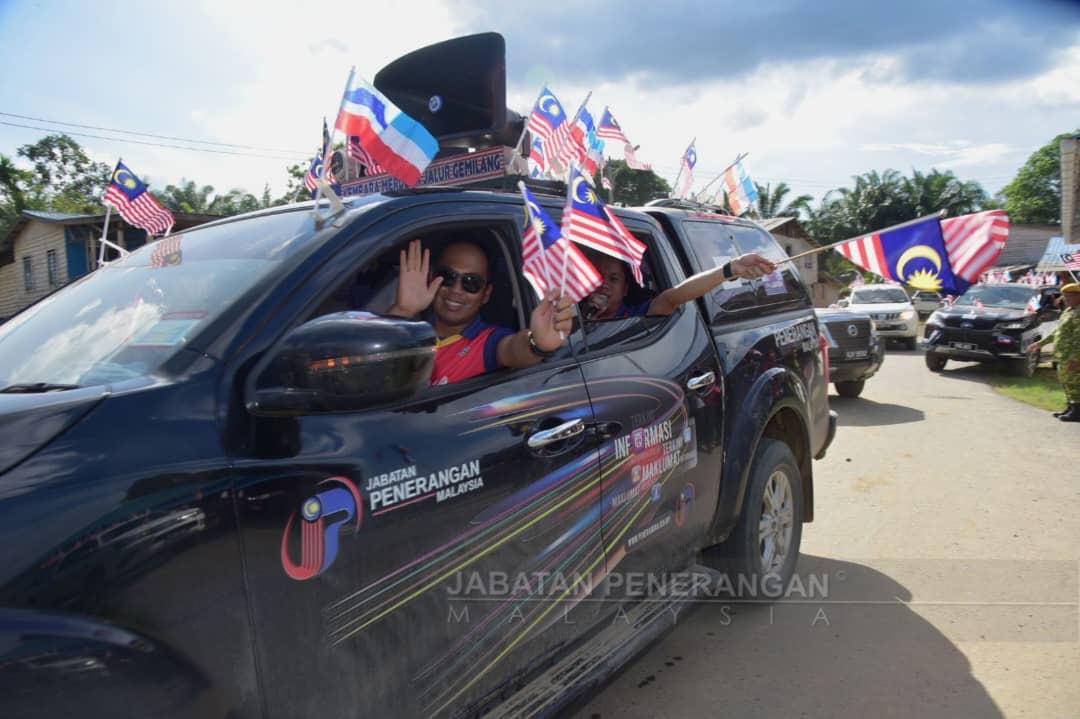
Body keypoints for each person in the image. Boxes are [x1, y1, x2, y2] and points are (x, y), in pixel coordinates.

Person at [387, 239, 573, 385]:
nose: (457, 290)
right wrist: (403, 310)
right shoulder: (411, 332)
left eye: (471, 282)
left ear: (486, 294)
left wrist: (537, 344)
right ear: (433, 278)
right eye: (448, 277)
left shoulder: (488, 341)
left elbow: (513, 349)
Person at [581, 253, 779, 320]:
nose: (603, 284)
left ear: (625, 289)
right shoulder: (571, 315)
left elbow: (672, 297)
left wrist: (729, 270)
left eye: (613, 279)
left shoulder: (635, 317)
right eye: (598, 277)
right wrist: (585, 314)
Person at [1029, 282, 1080, 422]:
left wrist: (1076, 359)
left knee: (1074, 383)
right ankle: (1071, 407)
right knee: (1065, 382)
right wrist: (1040, 343)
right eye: (1065, 296)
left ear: (1078, 296)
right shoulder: (1069, 311)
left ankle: (1077, 411)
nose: (1066, 299)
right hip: (1062, 354)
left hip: (1072, 356)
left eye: (1069, 296)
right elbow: (1058, 332)